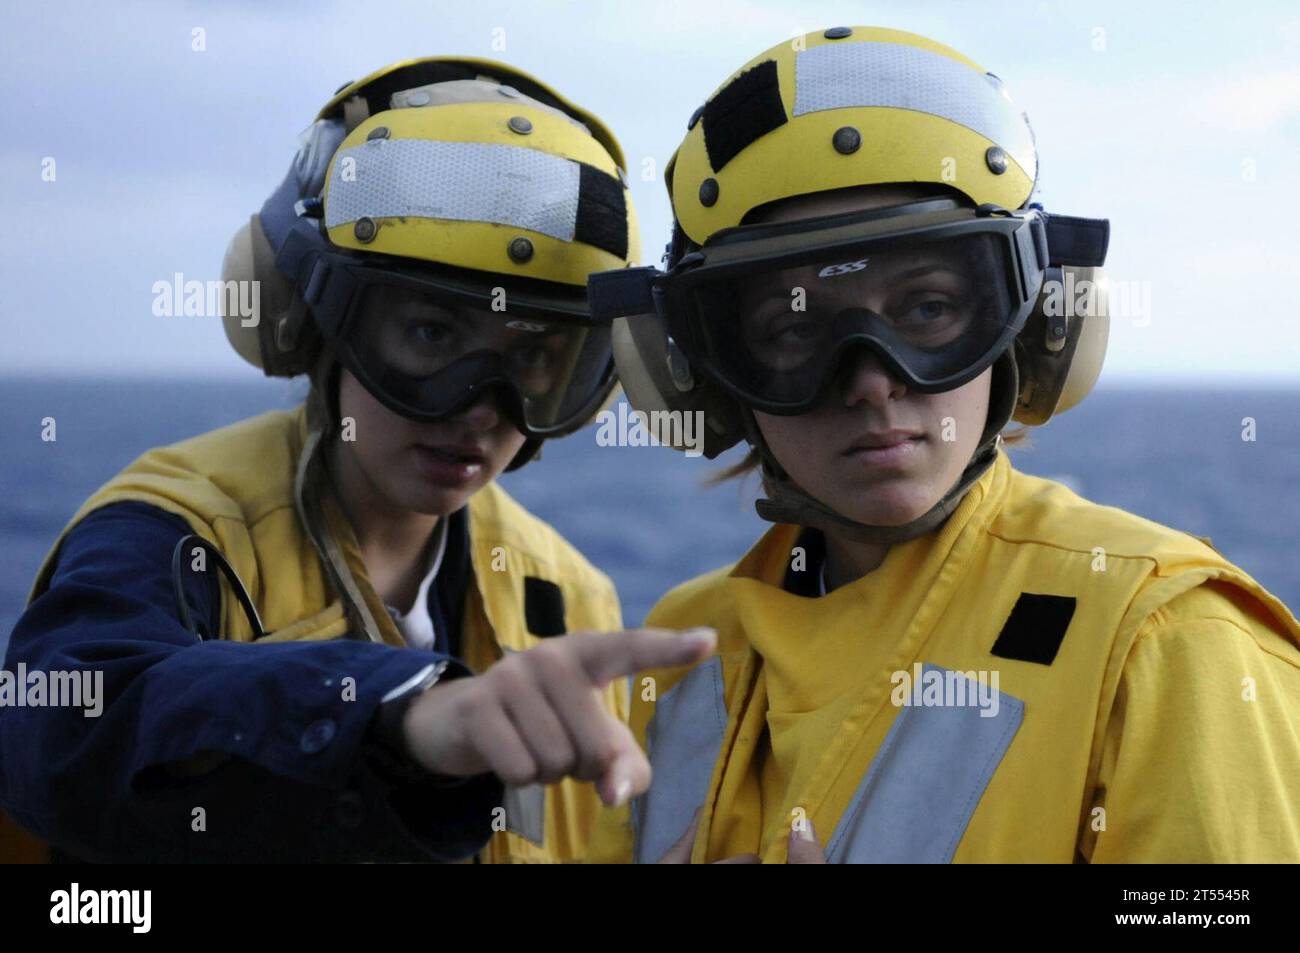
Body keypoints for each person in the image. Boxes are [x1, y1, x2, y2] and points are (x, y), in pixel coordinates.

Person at [585, 26, 1300, 863]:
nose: (871, 381)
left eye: (927, 310)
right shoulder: (683, 649)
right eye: (791, 329)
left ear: (1030, 325)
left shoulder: (1162, 639)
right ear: (700, 374)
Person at [0, 57, 714, 863]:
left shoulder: (566, 593)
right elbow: (60, 727)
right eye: (432, 335)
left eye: (536, 356)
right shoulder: (175, 530)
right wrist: (404, 715)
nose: (481, 407)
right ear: (320, 318)